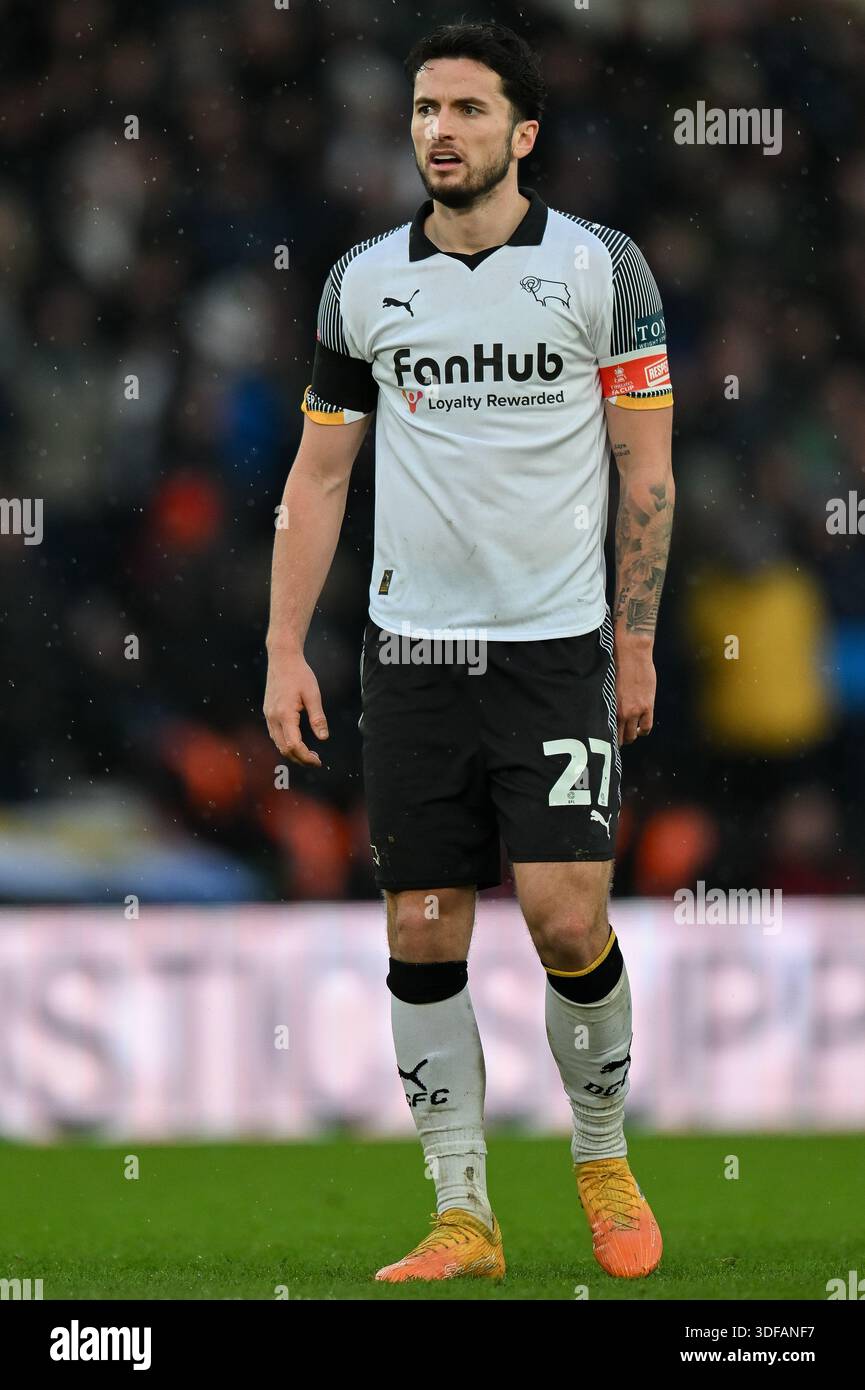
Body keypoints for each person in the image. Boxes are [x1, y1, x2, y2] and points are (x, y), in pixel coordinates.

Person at [264, 20, 675, 1284]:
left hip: (553, 650)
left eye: (467, 109)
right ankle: (462, 1214)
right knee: (425, 923)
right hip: (414, 658)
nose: (439, 129)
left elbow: (645, 463)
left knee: (562, 919)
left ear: (524, 134)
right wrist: (283, 644)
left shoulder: (601, 271)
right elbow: (319, 476)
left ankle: (601, 1157)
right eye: (425, 108)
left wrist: (638, 634)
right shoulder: (361, 283)